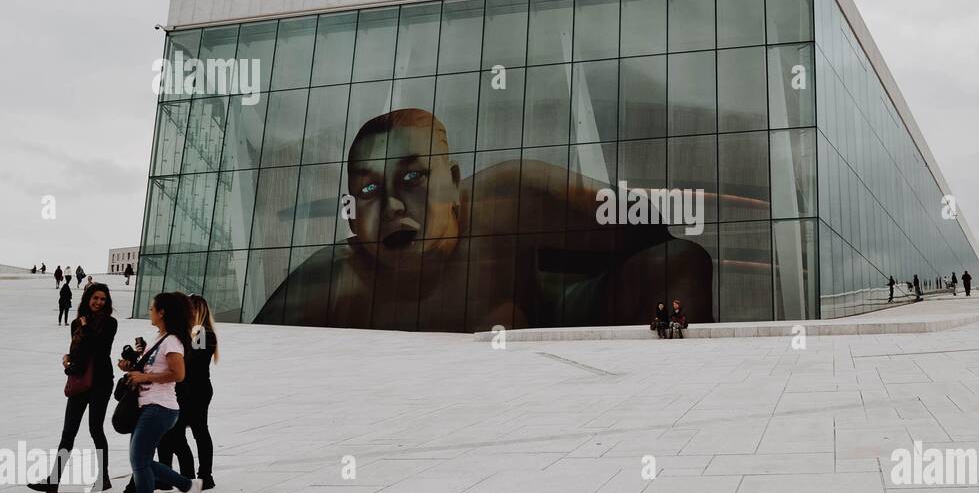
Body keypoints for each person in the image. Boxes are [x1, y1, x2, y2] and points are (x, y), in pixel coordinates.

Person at [257, 108, 714, 331]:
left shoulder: (512, 196)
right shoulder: (331, 282)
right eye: (370, 190)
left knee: (678, 260)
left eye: (413, 177)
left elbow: (646, 226)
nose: (393, 204)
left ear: (454, 182)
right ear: (353, 214)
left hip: (559, 311)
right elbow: (251, 348)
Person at [107, 292, 204, 493]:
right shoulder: (160, 337)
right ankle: (188, 485)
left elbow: (179, 375)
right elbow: (152, 367)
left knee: (140, 460)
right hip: (147, 406)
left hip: (159, 407)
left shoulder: (171, 341)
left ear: (162, 312)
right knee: (141, 460)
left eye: (152, 307)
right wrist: (131, 367)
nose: (150, 310)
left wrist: (146, 376)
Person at [27, 283, 117, 493]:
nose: (99, 302)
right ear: (87, 299)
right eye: (95, 298)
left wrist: (85, 329)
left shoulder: (110, 323)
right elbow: (79, 351)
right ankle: (53, 481)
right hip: (80, 382)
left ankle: (103, 478)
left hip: (101, 382)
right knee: (68, 433)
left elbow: (100, 349)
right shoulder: (76, 322)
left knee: (96, 429)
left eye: (103, 299)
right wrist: (69, 359)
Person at [166, 293, 220, 493]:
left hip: (196, 390)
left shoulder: (203, 334)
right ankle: (191, 476)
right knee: (183, 432)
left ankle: (204, 476)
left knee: (198, 432)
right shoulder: (192, 334)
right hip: (186, 389)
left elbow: (190, 362)